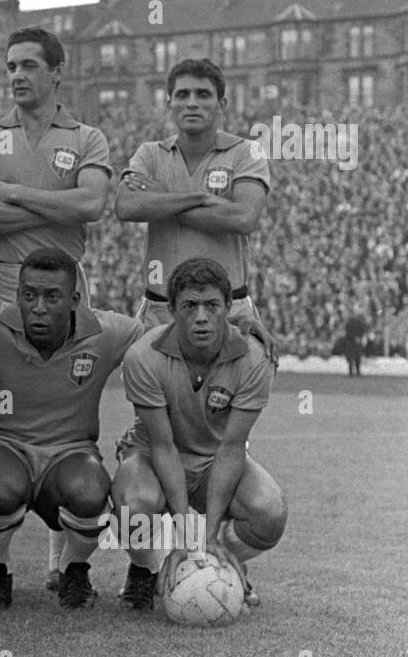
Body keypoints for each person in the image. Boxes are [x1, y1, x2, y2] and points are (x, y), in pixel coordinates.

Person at [0, 25, 112, 592]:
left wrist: (16, 194)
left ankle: (63, 563)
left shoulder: (88, 137)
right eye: (11, 67)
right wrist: (56, 209)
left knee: (68, 417)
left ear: (56, 71)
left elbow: (92, 204)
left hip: (65, 286)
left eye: (28, 65)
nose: (17, 76)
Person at [0, 248, 142, 609]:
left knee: (91, 487)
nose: (38, 306)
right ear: (18, 295)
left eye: (52, 297)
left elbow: (165, 339)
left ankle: (74, 571)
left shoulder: (107, 332)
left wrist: (241, 329)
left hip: (70, 457)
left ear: (75, 300)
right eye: (29, 295)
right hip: (6, 450)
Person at [113, 258, 286, 611]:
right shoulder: (143, 357)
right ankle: (148, 567)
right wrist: (184, 534)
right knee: (134, 506)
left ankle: (214, 559)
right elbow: (163, 447)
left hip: (214, 459)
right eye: (190, 306)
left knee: (269, 513)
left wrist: (204, 536)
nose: (202, 316)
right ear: (173, 309)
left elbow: (232, 448)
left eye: (212, 306)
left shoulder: (255, 358)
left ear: (227, 309)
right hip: (153, 454)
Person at [115, 58, 270, 331]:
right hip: (161, 308)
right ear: (169, 104)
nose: (192, 103)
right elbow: (127, 206)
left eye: (203, 94)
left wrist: (162, 199)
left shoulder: (247, 152)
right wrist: (201, 198)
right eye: (182, 94)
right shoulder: (150, 153)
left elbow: (243, 218)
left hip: (228, 308)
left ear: (221, 105)